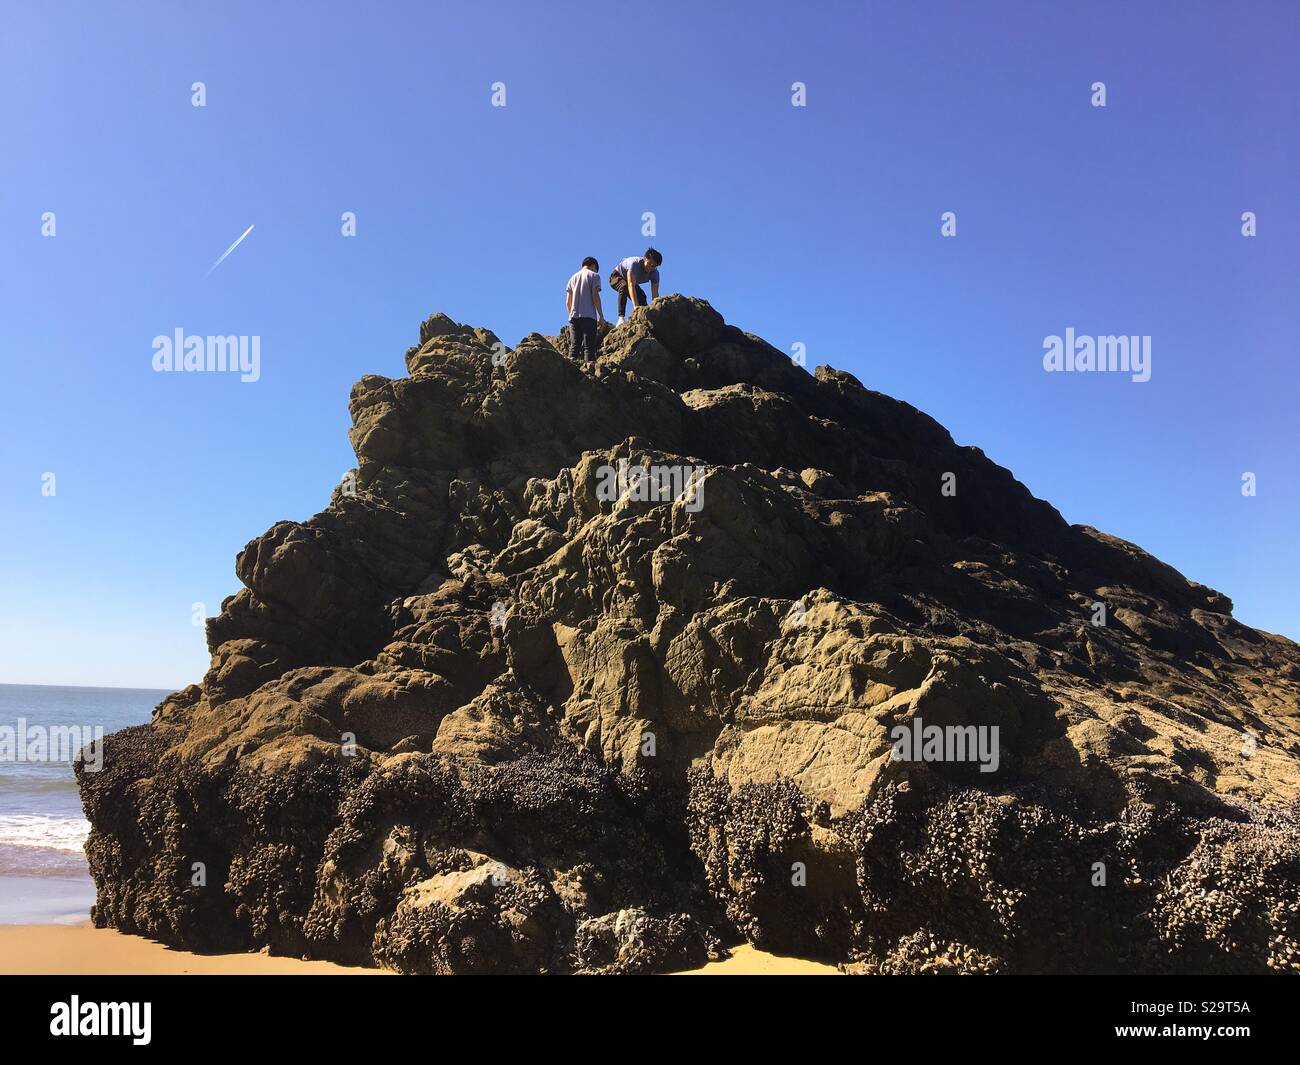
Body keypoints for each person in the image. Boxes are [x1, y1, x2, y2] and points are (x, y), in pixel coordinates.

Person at [564, 256, 604, 362]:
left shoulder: (572, 278)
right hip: (589, 316)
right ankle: (589, 373)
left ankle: (568, 371)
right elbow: (595, 295)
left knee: (574, 346)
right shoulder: (594, 276)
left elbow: (568, 301)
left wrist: (571, 315)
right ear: (593, 266)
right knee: (589, 348)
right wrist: (601, 315)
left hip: (573, 317)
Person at [609, 247, 662, 323]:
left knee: (642, 296)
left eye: (653, 266)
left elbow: (655, 295)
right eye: (649, 264)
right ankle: (621, 318)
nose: (650, 267)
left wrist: (656, 309)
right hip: (616, 276)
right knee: (624, 287)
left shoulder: (655, 274)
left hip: (631, 281)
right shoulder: (634, 264)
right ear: (644, 259)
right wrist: (635, 306)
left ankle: (644, 318)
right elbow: (630, 285)